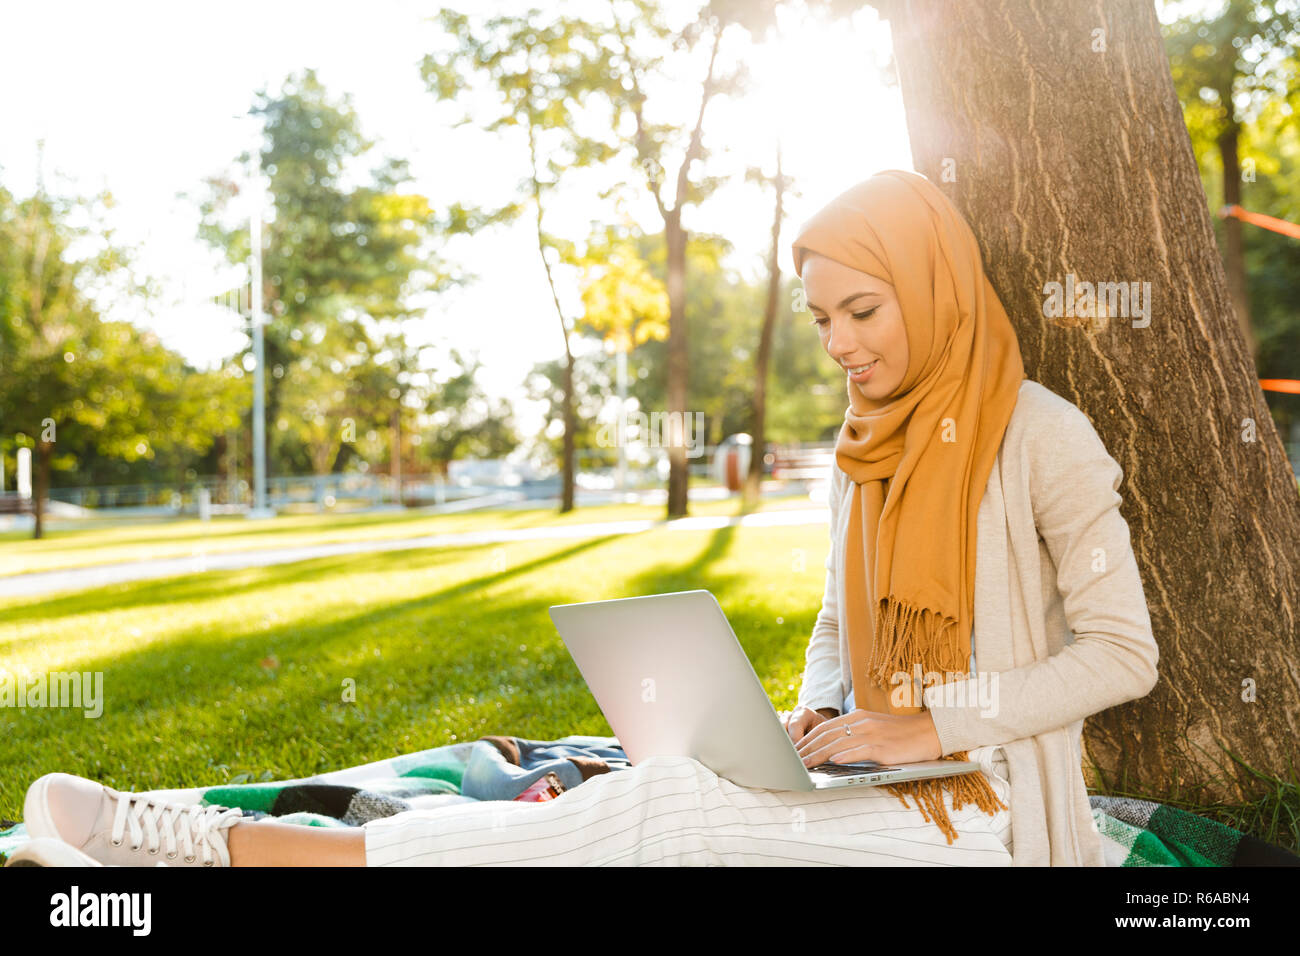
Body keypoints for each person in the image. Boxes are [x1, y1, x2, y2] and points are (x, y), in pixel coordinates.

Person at [9, 169, 1158, 868]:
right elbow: (830, 616)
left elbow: (1122, 653)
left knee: (656, 806)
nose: (839, 344)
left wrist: (934, 723)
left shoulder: (1041, 432)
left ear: (935, 282)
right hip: (867, 782)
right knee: (653, 801)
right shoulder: (865, 449)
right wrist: (814, 712)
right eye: (817, 319)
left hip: (982, 814)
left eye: (860, 308)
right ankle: (206, 849)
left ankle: (211, 849)